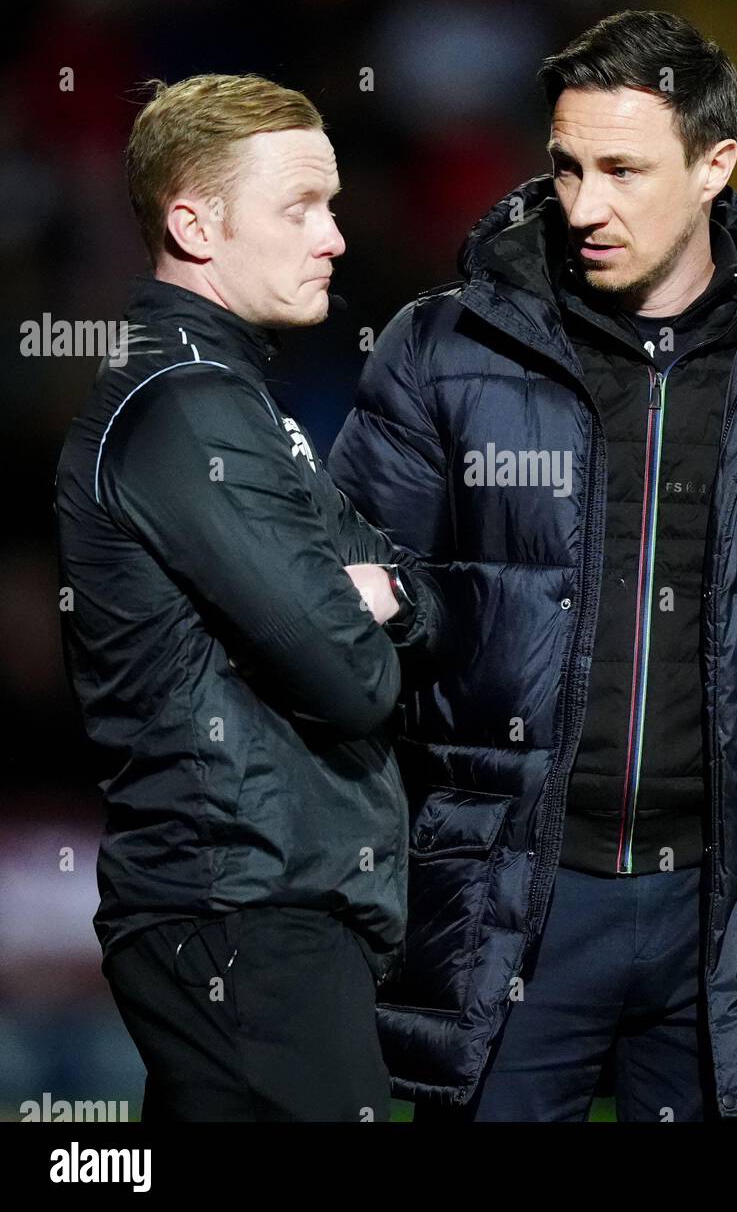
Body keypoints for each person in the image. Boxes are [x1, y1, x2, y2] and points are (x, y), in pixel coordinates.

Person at [328, 10, 737, 1122]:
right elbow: (346, 615)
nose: (583, 205)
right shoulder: (441, 348)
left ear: (716, 164)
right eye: (566, 166)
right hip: (498, 902)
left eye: (623, 169)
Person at [55, 73, 444, 1122]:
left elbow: (409, 594)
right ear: (193, 221)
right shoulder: (183, 408)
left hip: (267, 908)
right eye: (300, 208)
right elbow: (355, 678)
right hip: (245, 910)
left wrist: (385, 598)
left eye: (333, 206)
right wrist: (365, 606)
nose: (335, 239)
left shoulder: (233, 401)